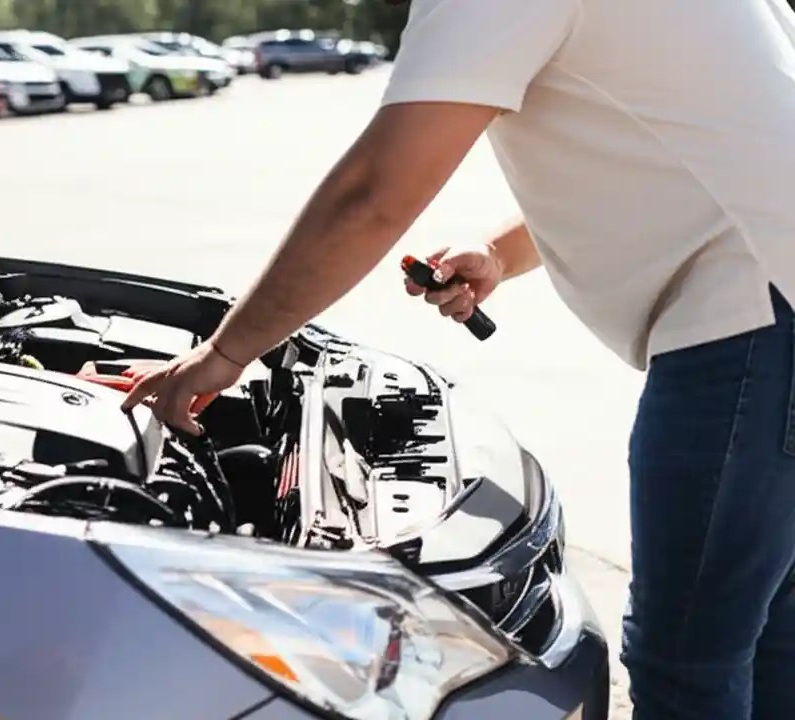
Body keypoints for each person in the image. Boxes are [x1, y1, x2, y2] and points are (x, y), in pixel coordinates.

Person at [121, 0, 795, 717]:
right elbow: (677, 146)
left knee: (686, 664)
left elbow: (375, 192)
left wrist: (226, 353)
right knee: (769, 639)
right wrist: (500, 252)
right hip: (770, 311)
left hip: (751, 329)